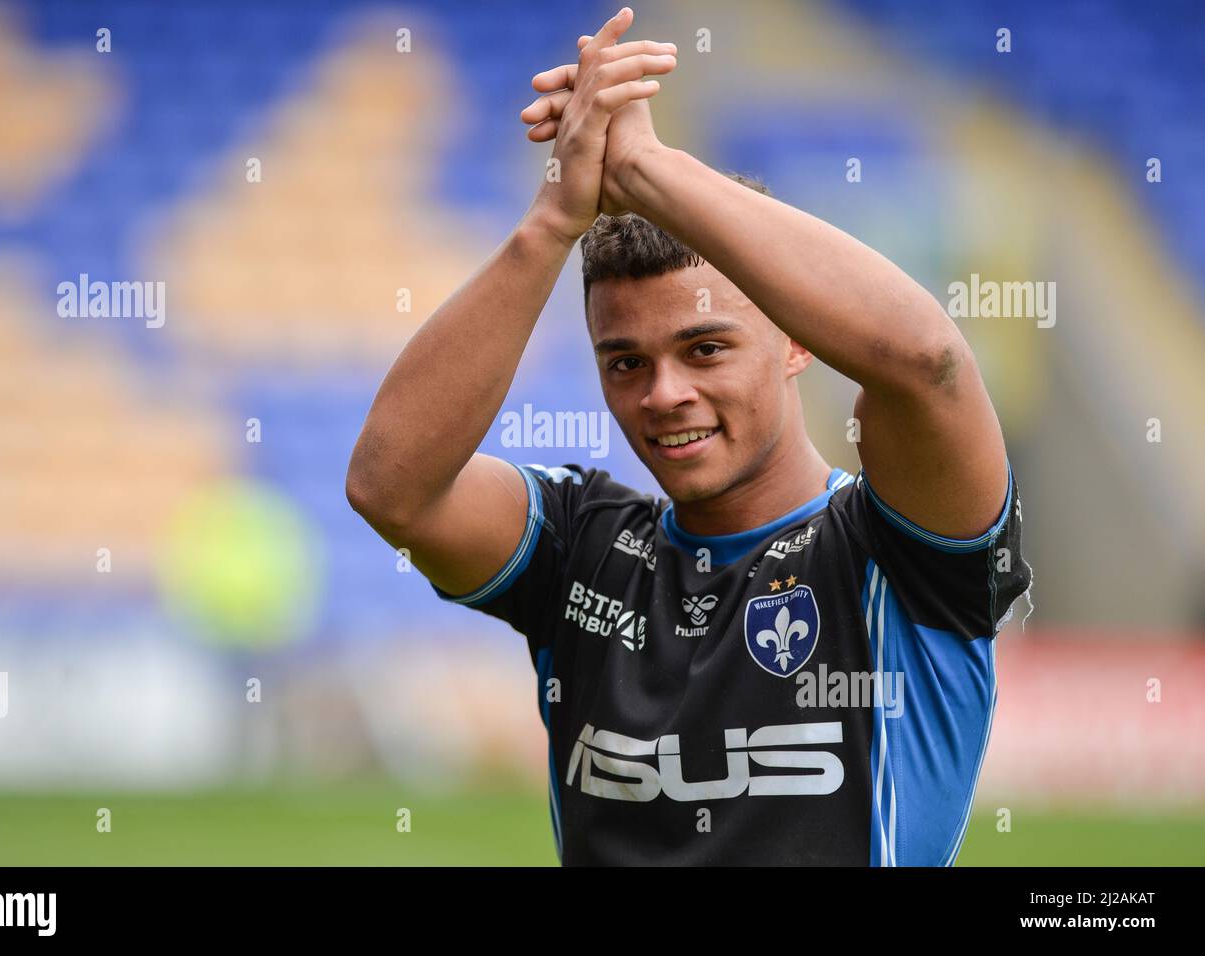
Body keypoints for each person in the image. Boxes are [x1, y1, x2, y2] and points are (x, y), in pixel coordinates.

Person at [346, 7, 1032, 865]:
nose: (665, 394)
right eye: (625, 363)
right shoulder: (580, 547)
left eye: (705, 349)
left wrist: (646, 167)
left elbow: (927, 364)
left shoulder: (902, 554)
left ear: (795, 340)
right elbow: (389, 487)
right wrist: (553, 222)